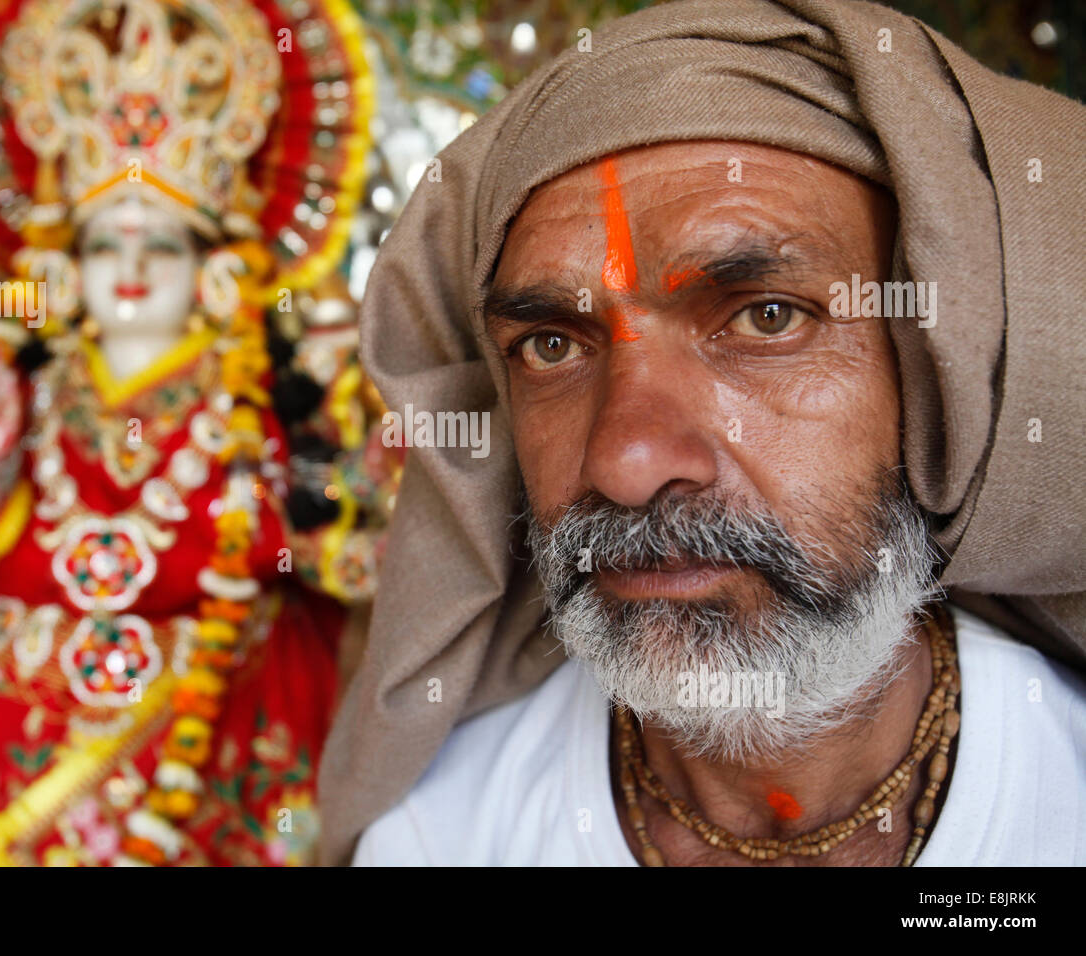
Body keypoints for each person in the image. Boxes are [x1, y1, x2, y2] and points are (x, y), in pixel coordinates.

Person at [321, 0, 1086, 866]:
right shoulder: (444, 837)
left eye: (766, 318)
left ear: (942, 376)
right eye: (550, 345)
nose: (625, 462)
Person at [0, 0, 391, 866]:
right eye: (108, 247)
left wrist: (344, 472)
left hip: (189, 685)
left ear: (216, 267)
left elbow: (340, 537)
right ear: (68, 263)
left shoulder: (268, 390)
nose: (134, 274)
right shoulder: (26, 370)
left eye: (163, 249)